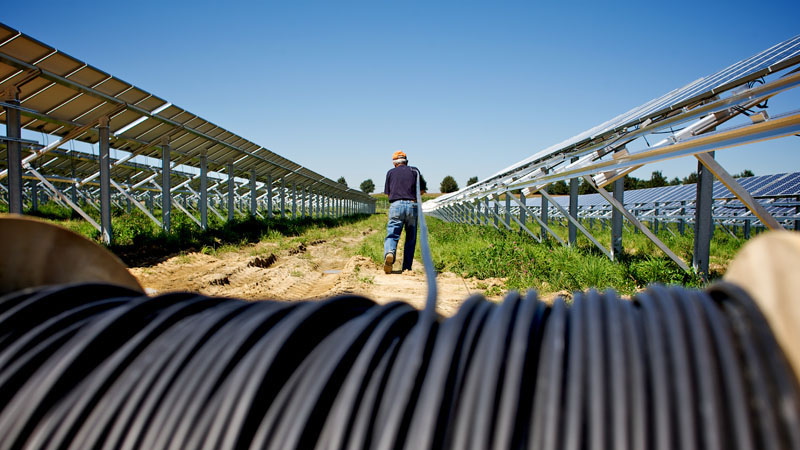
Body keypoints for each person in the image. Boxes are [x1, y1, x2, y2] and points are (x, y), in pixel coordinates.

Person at [383, 150, 424, 274]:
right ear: (406, 161)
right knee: (411, 237)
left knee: (393, 233)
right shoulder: (415, 171)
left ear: (395, 163)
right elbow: (421, 191)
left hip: (396, 205)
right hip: (412, 205)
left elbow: (388, 193)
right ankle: (406, 267)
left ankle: (390, 252)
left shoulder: (390, 173)